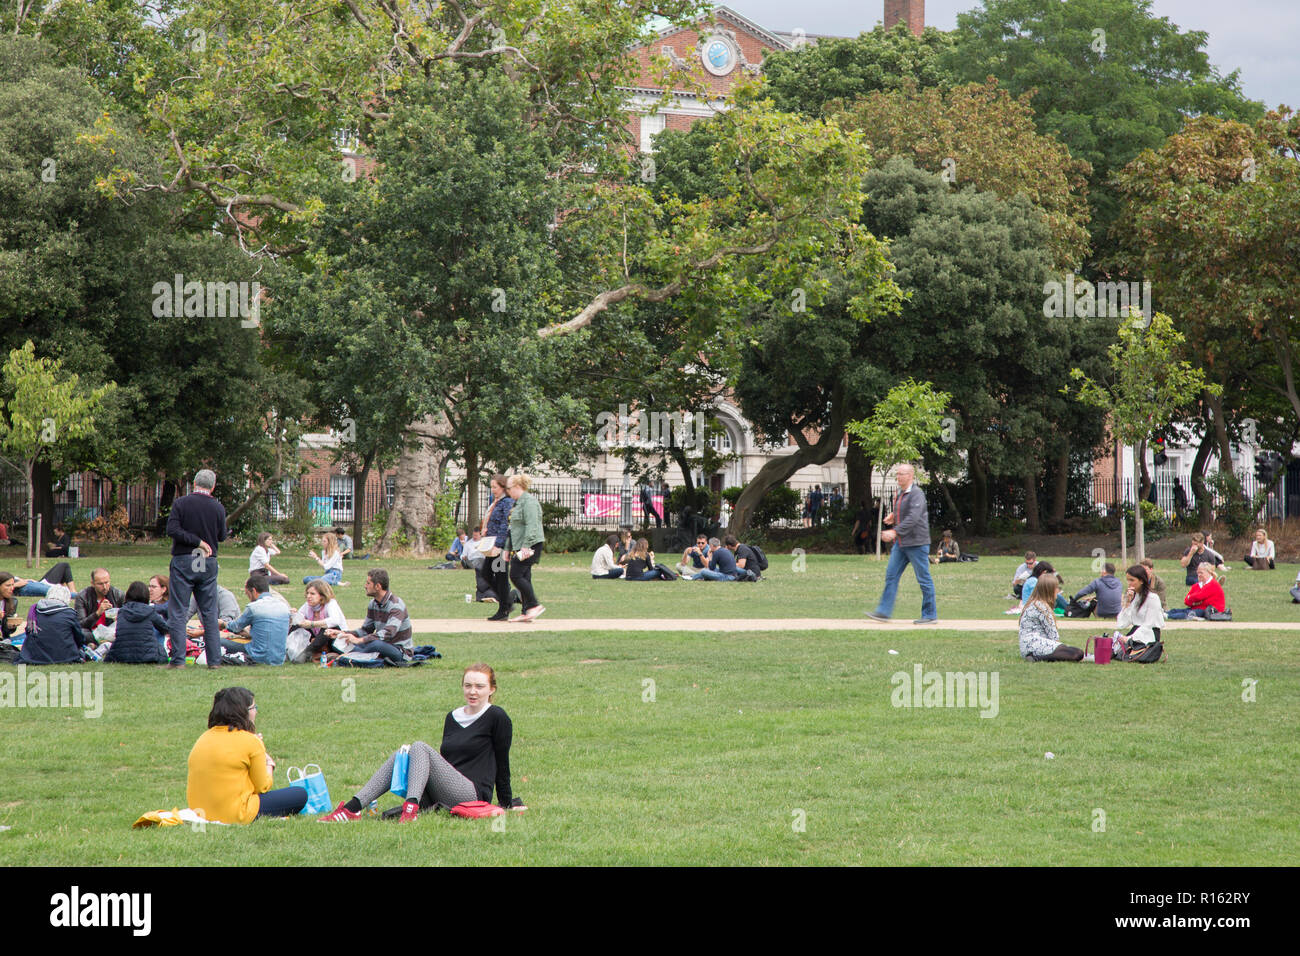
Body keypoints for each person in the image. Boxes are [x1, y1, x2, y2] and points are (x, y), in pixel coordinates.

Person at [320, 663, 522, 822]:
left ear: (492, 689)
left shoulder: (497, 716)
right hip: (444, 792)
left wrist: (506, 803)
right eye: (468, 685)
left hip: (472, 794)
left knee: (419, 746)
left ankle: (411, 808)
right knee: (404, 754)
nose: (473, 691)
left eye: (480, 686)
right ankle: (351, 808)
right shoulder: (452, 717)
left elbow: (502, 763)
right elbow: (445, 762)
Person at [187, 687, 307, 823]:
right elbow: (262, 787)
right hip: (235, 813)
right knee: (300, 794)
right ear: (243, 712)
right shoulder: (251, 741)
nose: (256, 711)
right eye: (253, 707)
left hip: (199, 812)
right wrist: (269, 765)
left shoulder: (203, 738)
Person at [165, 469, 228, 670]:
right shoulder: (218, 507)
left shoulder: (181, 503)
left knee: (178, 611)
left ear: (194, 483)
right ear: (213, 486)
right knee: (209, 613)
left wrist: (196, 541)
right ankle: (214, 661)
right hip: (206, 562)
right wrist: (203, 540)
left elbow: (172, 530)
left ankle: (178, 660)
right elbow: (221, 536)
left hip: (185, 559)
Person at [865, 463, 937, 624]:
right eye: (897, 474)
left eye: (901, 474)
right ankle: (883, 612)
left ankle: (930, 615)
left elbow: (914, 517)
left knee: (923, 579)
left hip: (917, 544)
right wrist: (893, 516)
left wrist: (894, 531)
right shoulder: (900, 493)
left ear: (910, 475)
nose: (898, 477)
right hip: (902, 544)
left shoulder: (917, 494)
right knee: (891, 575)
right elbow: (904, 512)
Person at [324, 567, 413, 664]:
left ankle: (349, 656)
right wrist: (343, 633)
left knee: (375, 644)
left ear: (378, 586)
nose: (365, 586)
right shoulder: (373, 604)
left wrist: (359, 640)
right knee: (339, 640)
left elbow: (388, 633)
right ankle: (353, 656)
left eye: (368, 583)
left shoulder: (396, 605)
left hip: (399, 651)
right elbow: (365, 630)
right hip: (381, 644)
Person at [217, 576, 291, 666]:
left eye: (247, 594)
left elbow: (235, 627)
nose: (248, 598)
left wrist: (223, 624)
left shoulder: (254, 607)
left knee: (216, 641)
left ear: (254, 591)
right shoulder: (284, 607)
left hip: (257, 656)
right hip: (279, 658)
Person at [504, 475, 545, 623]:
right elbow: (513, 528)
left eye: (509, 488)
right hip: (520, 545)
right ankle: (527, 611)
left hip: (531, 544)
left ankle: (534, 604)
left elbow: (532, 526)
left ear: (517, 486)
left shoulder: (529, 502)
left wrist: (526, 546)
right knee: (524, 576)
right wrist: (508, 548)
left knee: (515, 574)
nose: (508, 492)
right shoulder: (518, 503)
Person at [1018, 574, 1084, 662]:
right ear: (1049, 590)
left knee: (1069, 650)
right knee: (1077, 653)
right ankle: (1036, 659)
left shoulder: (1034, 603)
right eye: (1056, 588)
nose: (1058, 590)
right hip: (1035, 645)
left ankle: (1036, 657)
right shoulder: (1043, 607)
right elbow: (1053, 636)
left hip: (1027, 646)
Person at [478, 475, 518, 610]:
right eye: (492, 487)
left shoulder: (506, 502)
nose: (493, 490)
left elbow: (505, 524)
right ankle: (506, 602)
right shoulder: (496, 502)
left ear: (503, 487)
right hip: (492, 544)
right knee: (487, 573)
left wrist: (499, 545)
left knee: (499, 575)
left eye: (495, 487)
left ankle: (505, 606)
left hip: (500, 546)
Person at [103, 581, 168, 664]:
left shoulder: (122, 612)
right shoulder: (150, 611)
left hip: (123, 655)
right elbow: (165, 628)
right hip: (147, 655)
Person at [17, 585, 85, 664]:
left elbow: (28, 632)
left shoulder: (34, 610)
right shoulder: (69, 613)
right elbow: (79, 638)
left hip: (34, 656)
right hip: (65, 656)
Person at [290, 580, 347, 663]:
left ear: (322, 596)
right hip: (318, 638)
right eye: (307, 593)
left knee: (328, 628)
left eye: (312, 594)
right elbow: (301, 618)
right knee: (297, 625)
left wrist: (312, 624)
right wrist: (294, 615)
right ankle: (288, 650)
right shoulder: (308, 605)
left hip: (335, 639)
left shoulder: (331, 603)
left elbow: (335, 620)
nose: (308, 596)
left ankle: (306, 653)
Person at [1114, 565, 1164, 653]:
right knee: (1114, 649)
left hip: (1149, 634)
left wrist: (1130, 638)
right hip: (1136, 631)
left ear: (1141, 581)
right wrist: (1128, 603)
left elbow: (1149, 624)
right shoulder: (1135, 596)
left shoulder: (1152, 598)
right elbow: (1122, 624)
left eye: (1132, 580)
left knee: (1123, 651)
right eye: (1128, 580)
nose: (1129, 583)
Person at [74, 567, 125, 645]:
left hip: (112, 631)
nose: (104, 587)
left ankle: (97, 644)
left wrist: (118, 618)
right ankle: (101, 643)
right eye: (100, 584)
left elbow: (128, 617)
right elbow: (80, 624)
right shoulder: (82, 597)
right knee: (80, 632)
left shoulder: (118, 595)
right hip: (92, 633)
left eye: (106, 582)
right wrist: (97, 613)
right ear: (92, 583)